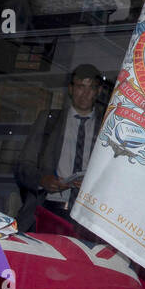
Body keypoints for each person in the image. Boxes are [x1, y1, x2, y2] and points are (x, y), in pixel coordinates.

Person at [15, 64, 104, 232]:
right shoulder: (49, 120)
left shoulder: (107, 127)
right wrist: (42, 180)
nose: (84, 94)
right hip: (50, 208)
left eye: (90, 88)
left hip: (90, 215)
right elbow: (22, 167)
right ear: (71, 89)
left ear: (98, 91)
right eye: (79, 87)